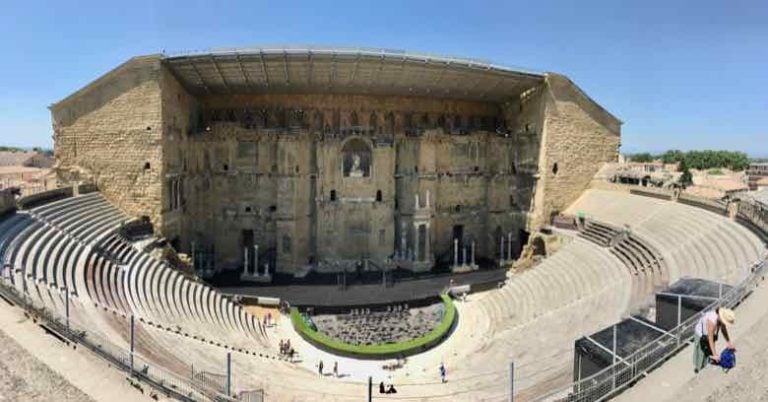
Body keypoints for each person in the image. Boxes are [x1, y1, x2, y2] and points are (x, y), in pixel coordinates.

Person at [693, 307, 735, 373]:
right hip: (701, 335)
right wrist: (715, 354)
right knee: (702, 354)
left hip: (708, 335)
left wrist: (728, 342)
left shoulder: (720, 318)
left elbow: (723, 329)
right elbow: (710, 339)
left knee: (709, 352)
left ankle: (707, 363)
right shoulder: (712, 321)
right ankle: (699, 369)